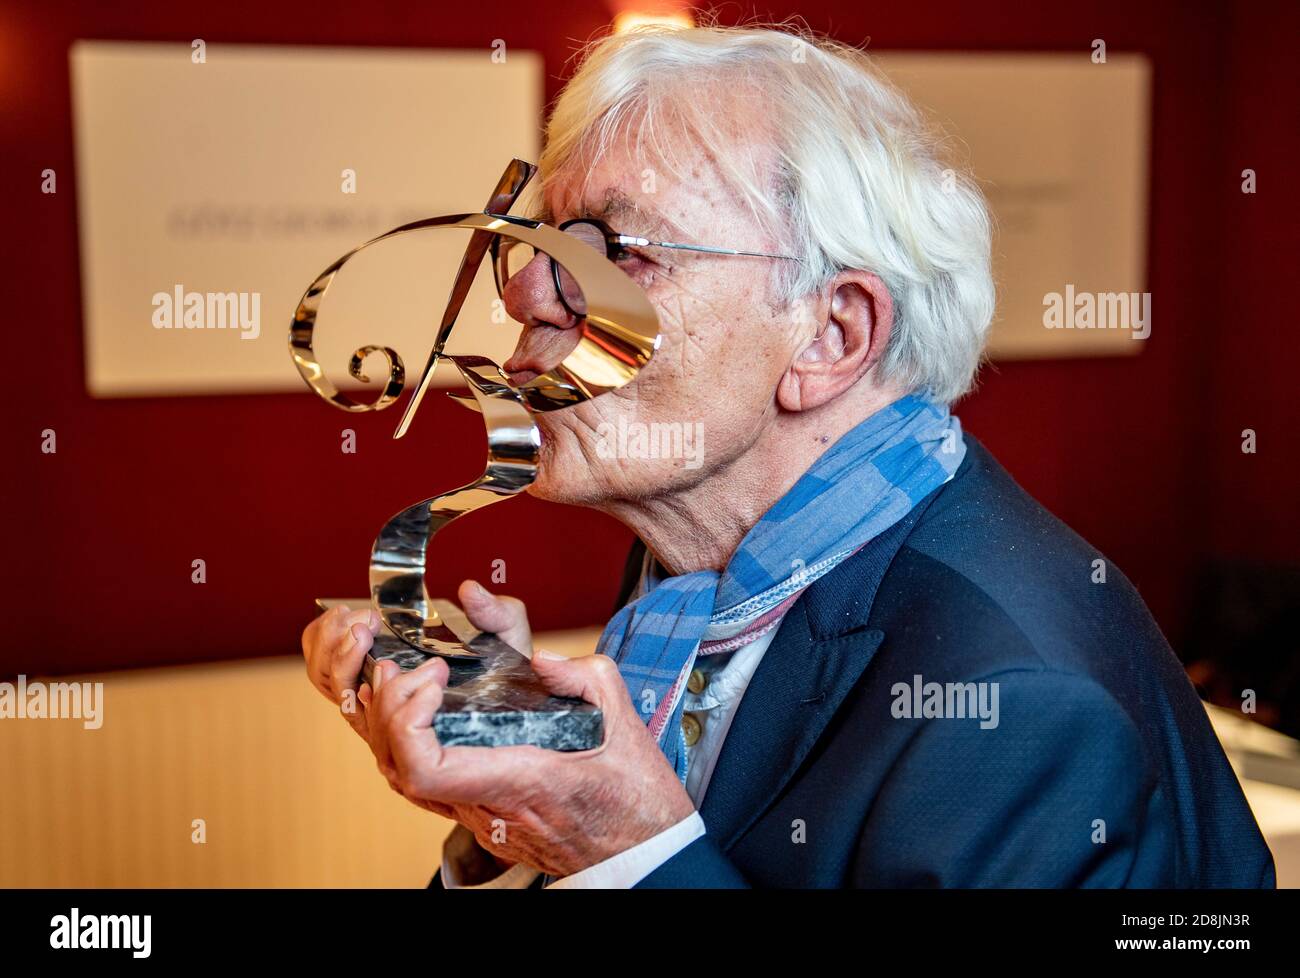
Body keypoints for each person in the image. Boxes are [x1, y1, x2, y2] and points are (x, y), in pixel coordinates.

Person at [301, 24, 1274, 888]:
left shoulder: (1020, 708)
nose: (523, 296)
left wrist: (623, 852)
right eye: (541, 239)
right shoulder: (705, 564)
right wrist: (514, 819)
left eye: (611, 250)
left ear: (828, 337)